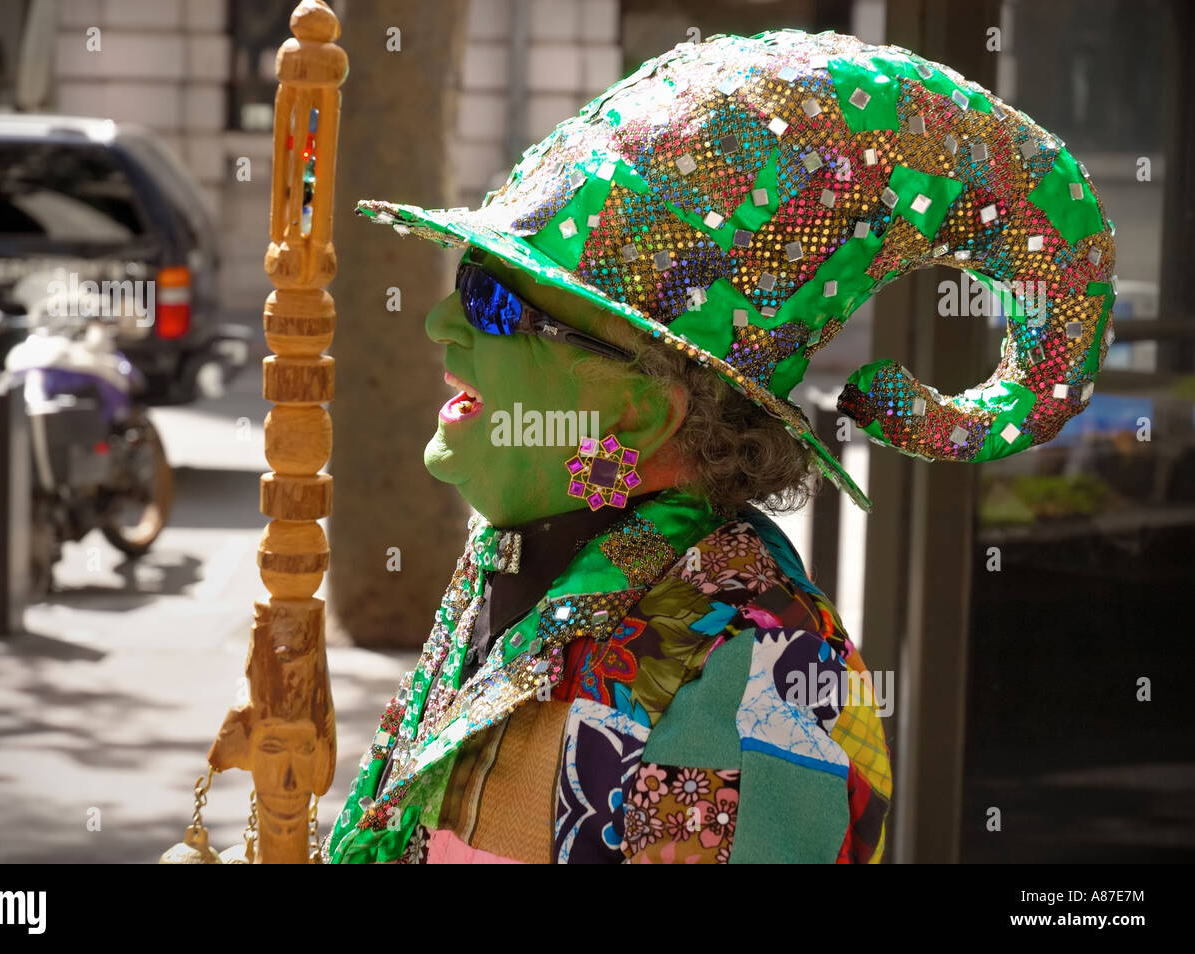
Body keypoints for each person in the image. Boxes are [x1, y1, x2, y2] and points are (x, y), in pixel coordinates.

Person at [324, 28, 1114, 864]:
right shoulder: (532, 547)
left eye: (493, 302)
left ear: (635, 414)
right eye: (465, 274)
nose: (438, 324)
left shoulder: (756, 674)